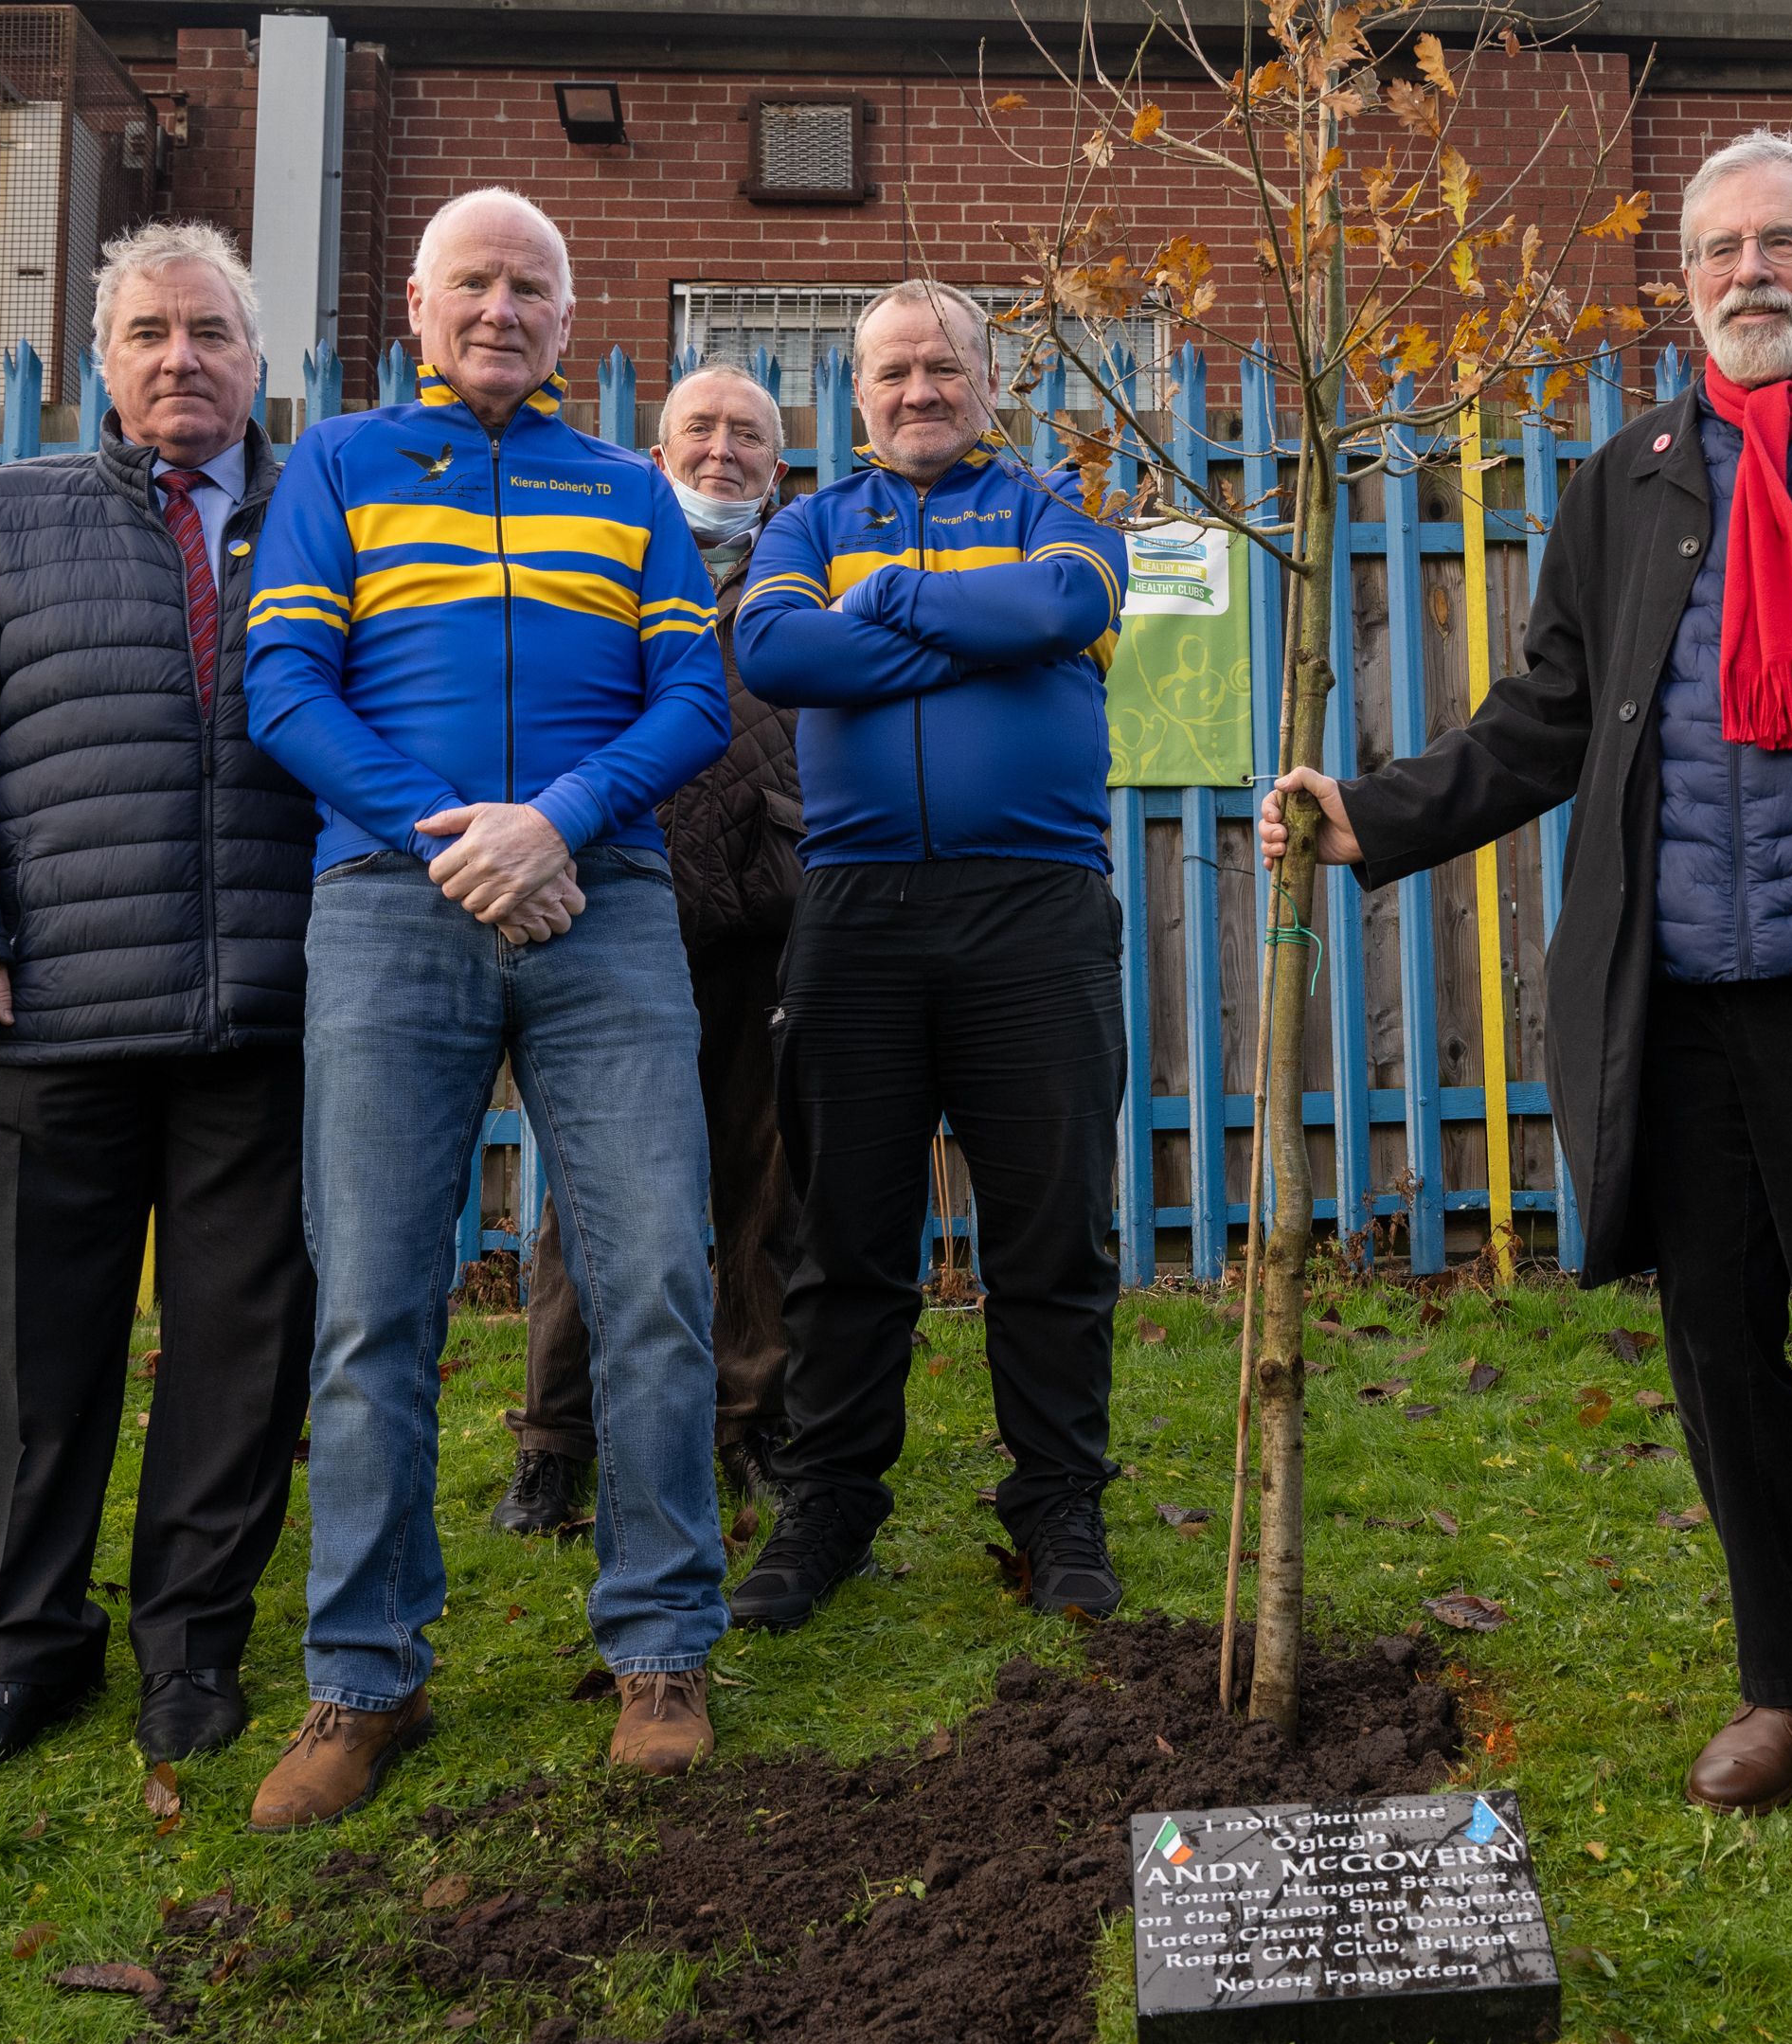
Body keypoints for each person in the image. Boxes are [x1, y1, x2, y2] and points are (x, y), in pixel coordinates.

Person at [1263, 130, 1792, 1880]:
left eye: (1783, 245)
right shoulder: (1631, 476)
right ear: (1686, 280)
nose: (1748, 273)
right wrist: (1376, 814)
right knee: (1720, 1364)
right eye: (1717, 250)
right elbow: (1544, 717)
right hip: (1677, 1001)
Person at [238, 187, 732, 1818]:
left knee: (654, 1277)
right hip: (392, 906)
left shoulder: (626, 489)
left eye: (531, 286)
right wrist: (450, 837)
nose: (502, 309)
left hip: (607, 903)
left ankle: (661, 1648)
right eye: (474, 283)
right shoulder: (340, 467)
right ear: (419, 302)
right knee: (376, 1298)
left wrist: (557, 822)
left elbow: (694, 695)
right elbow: (285, 685)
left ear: (569, 319)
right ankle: (362, 1681)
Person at [0, 221, 319, 1784]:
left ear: (259, 359)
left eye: (210, 332)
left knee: (239, 1355)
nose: (181, 359)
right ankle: (21, 1651)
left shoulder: (325, 517)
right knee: (43, 1353)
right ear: (101, 362)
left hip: (269, 1012)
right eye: (148, 334)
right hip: (44, 1013)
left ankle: (196, 1647)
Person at [724, 282, 1133, 1631]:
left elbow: (1070, 604)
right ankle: (830, 1501)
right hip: (856, 918)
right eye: (892, 373)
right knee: (844, 1231)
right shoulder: (805, 521)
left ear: (989, 383)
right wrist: (971, 637)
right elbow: (778, 648)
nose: (918, 392)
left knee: (1051, 1226)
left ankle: (1058, 1499)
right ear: (856, 397)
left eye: (943, 369)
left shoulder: (1045, 505)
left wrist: (890, 606)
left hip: (1038, 907)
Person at [494, 366, 804, 1539]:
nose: (722, 451)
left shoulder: (803, 566)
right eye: (700, 431)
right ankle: (556, 1443)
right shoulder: (596, 551)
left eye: (748, 436)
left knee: (764, 1192)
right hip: (615, 923)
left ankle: (751, 1424)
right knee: (588, 1202)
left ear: (778, 465)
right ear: (658, 449)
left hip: (765, 930)